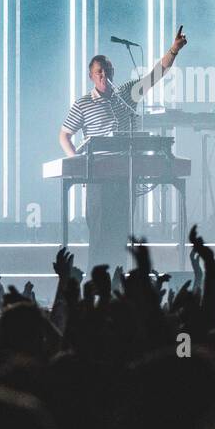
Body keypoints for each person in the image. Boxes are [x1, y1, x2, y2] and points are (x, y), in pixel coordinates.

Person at [59, 26, 187, 268]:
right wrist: (76, 161)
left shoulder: (126, 93)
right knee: (99, 236)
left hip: (126, 174)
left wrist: (174, 50)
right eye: (98, 72)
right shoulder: (83, 103)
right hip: (97, 177)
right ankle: (94, 290)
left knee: (121, 237)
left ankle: (118, 286)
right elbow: (64, 134)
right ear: (91, 76)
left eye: (106, 71)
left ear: (113, 72)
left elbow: (155, 76)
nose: (103, 76)